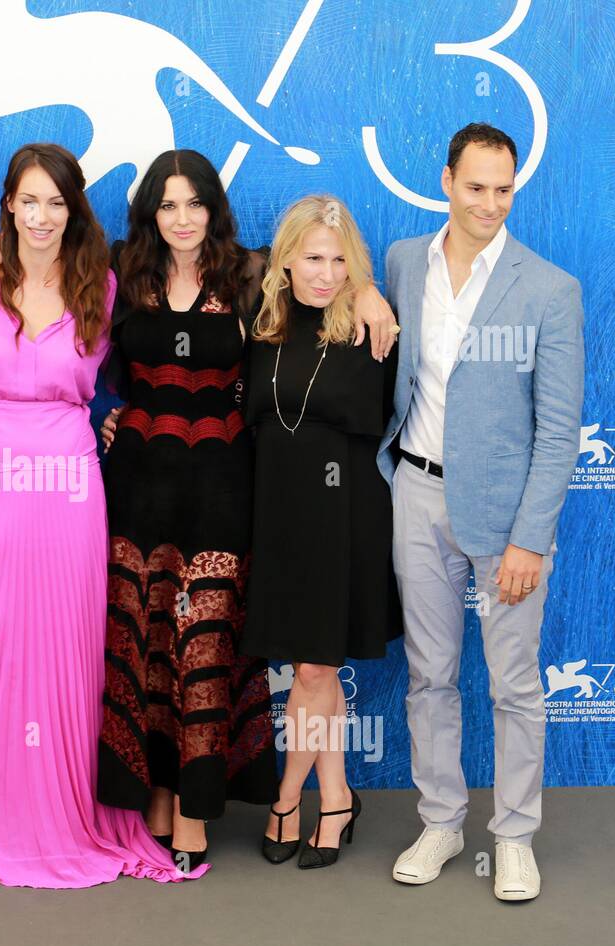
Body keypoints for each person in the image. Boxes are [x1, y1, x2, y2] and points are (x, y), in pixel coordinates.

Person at [11, 157, 396, 867]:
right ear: (149, 214)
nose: (181, 218)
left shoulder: (248, 275)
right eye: (167, 205)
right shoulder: (121, 268)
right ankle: (154, 796)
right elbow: (39, 242)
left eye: (194, 204)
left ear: (214, 210)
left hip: (223, 487)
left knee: (205, 647)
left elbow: (320, 263)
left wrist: (369, 288)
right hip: (138, 486)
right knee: (145, 647)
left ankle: (194, 811)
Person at [0, 142, 198, 887]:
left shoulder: (101, 285)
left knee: (66, 647)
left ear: (73, 209)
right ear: (8, 203)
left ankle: (63, 810)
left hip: (69, 477)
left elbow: (198, 278)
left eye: (56, 202)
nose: (42, 215)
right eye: (29, 200)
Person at [379, 124, 584, 901]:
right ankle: (440, 820)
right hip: (417, 495)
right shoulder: (403, 263)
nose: (490, 203)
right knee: (429, 675)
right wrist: (363, 289)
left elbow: (560, 429)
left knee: (514, 683)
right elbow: (317, 272)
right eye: (475, 187)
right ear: (446, 181)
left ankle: (516, 834)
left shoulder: (549, 288)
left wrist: (532, 537)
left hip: (507, 516)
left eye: (504, 189)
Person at [241, 194, 402, 869]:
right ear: (286, 260)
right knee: (315, 667)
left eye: (340, 261)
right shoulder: (262, 320)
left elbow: (377, 417)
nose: (326, 272)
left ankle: (287, 795)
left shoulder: (371, 326)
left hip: (344, 516)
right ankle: (334, 793)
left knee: (313, 665)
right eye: (312, 257)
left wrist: (366, 289)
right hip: (279, 513)